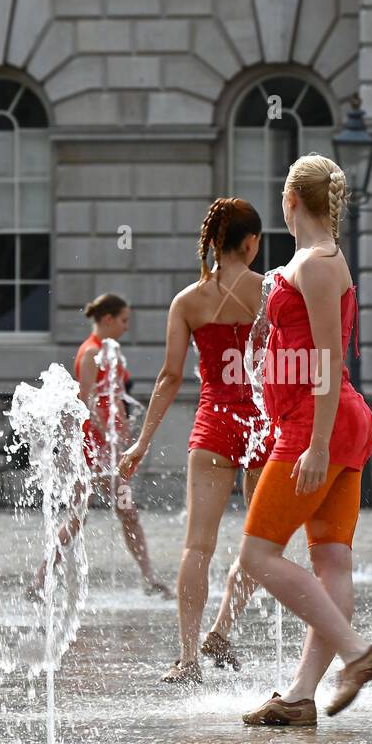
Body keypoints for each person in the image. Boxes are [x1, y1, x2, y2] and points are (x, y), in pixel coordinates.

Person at [237, 153, 372, 726]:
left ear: (290, 199)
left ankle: (356, 653)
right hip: (326, 419)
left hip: (316, 421)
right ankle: (302, 695)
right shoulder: (310, 260)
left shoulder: (320, 263)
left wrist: (317, 443)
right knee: (331, 562)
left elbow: (329, 356)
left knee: (256, 554)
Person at [119, 198, 273, 682]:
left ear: (212, 242)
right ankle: (222, 629)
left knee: (196, 548)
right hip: (263, 422)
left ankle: (188, 659)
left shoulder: (187, 301)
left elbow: (168, 377)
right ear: (251, 244)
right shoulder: (270, 293)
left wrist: (141, 443)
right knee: (263, 542)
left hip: (213, 424)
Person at [63, 293, 169, 598]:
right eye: (123, 321)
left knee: (126, 511)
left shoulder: (110, 352)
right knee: (80, 514)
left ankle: (148, 577)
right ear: (107, 319)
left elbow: (116, 398)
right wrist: (108, 436)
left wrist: (123, 432)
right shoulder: (90, 352)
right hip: (92, 450)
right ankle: (42, 577)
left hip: (108, 451)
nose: (126, 327)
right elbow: (85, 399)